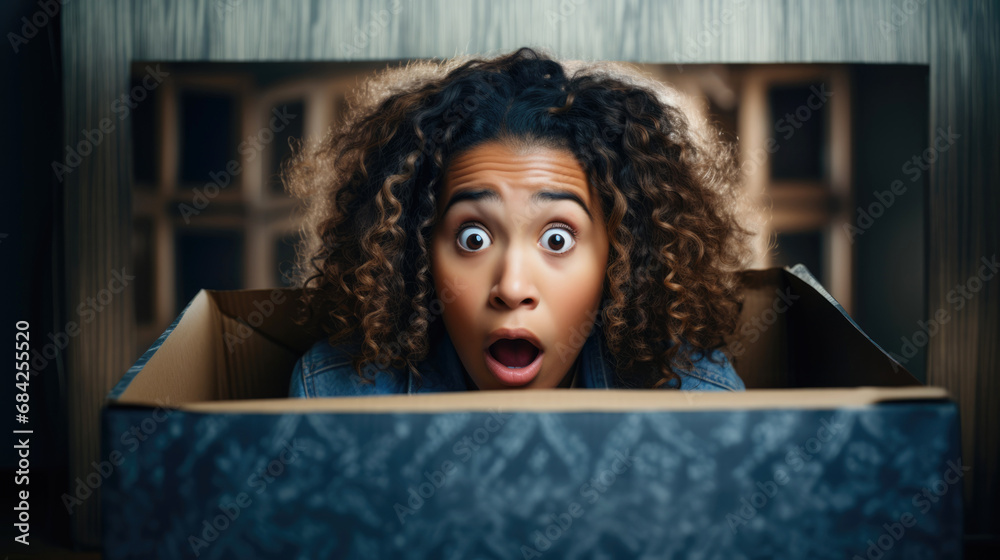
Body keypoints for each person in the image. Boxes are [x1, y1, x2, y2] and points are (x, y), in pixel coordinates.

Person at [284, 47, 757, 397]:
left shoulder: (697, 404)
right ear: (418, 255)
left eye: (557, 238)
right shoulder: (337, 401)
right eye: (474, 237)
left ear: (618, 262)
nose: (511, 287)